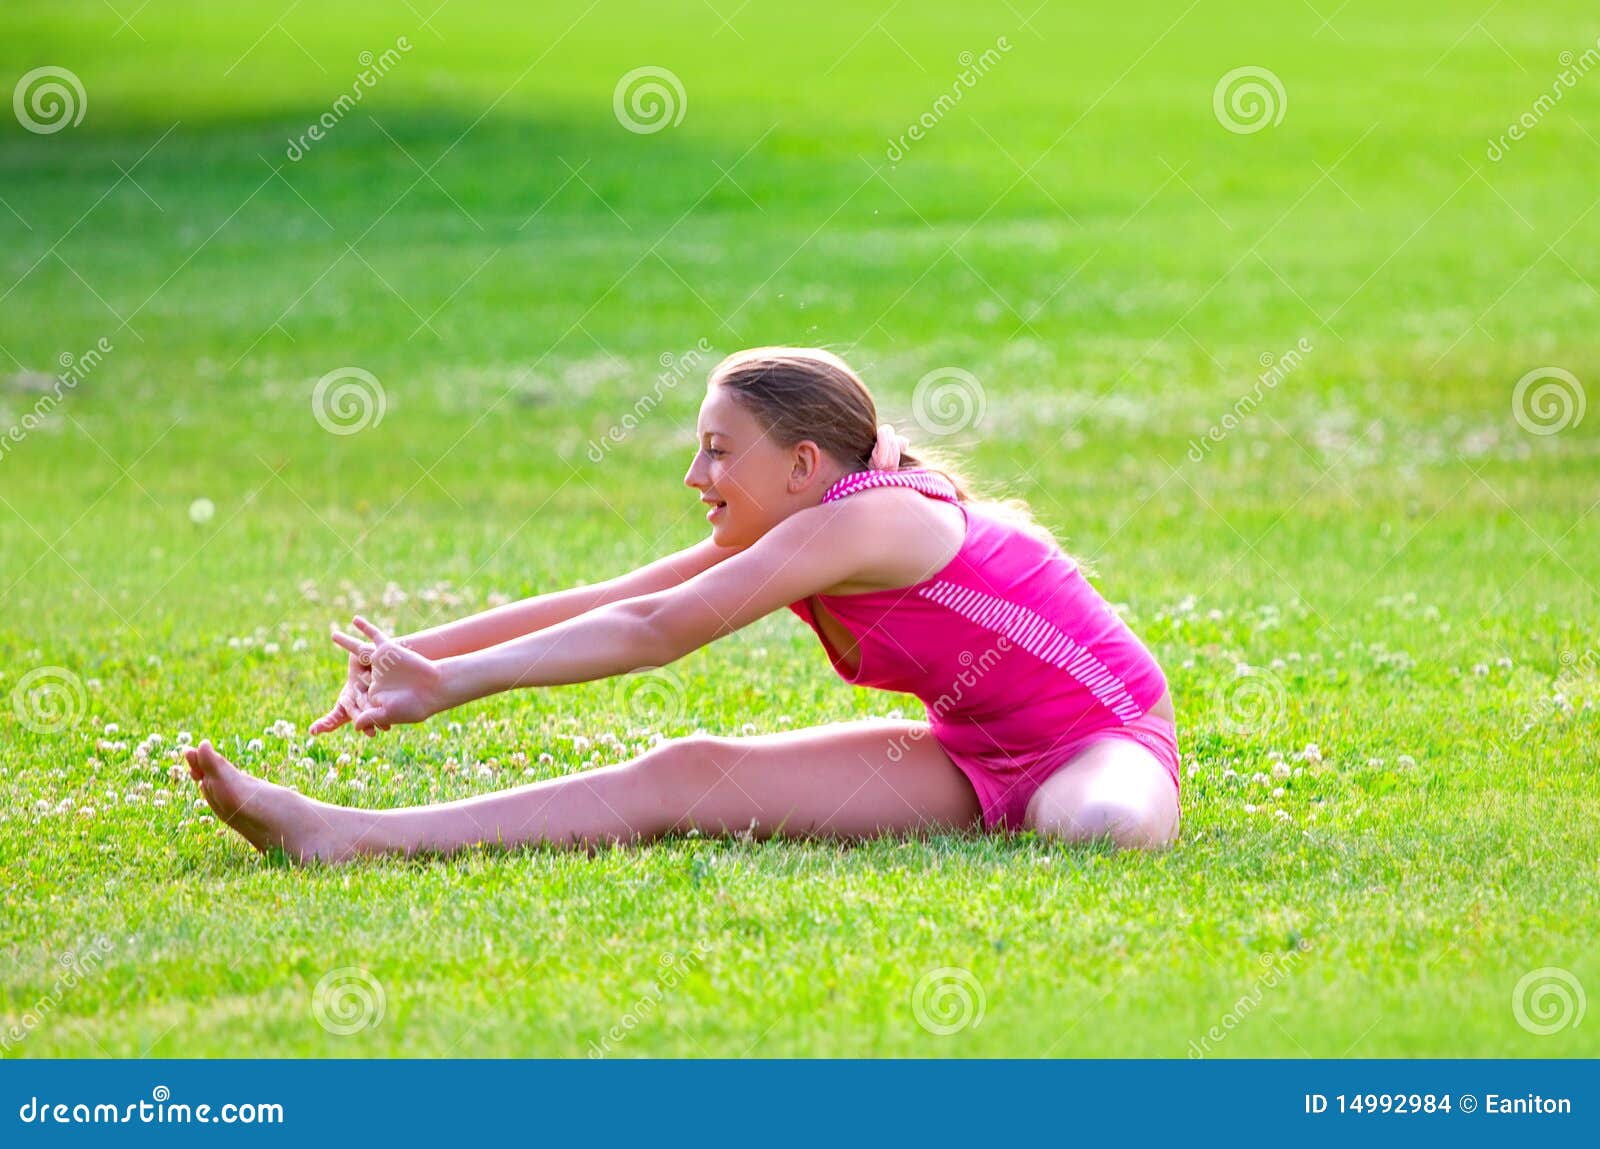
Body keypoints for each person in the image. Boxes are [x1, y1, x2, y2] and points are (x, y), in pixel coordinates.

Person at [184, 347, 1181, 863]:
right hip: (969, 756)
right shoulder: (798, 520)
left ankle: (1077, 807)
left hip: (1102, 738)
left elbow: (655, 634)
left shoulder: (866, 521)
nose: (694, 472)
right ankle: (340, 835)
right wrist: (414, 651)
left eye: (717, 449)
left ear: (801, 465)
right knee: (681, 774)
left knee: (1090, 830)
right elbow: (620, 596)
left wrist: (447, 686)